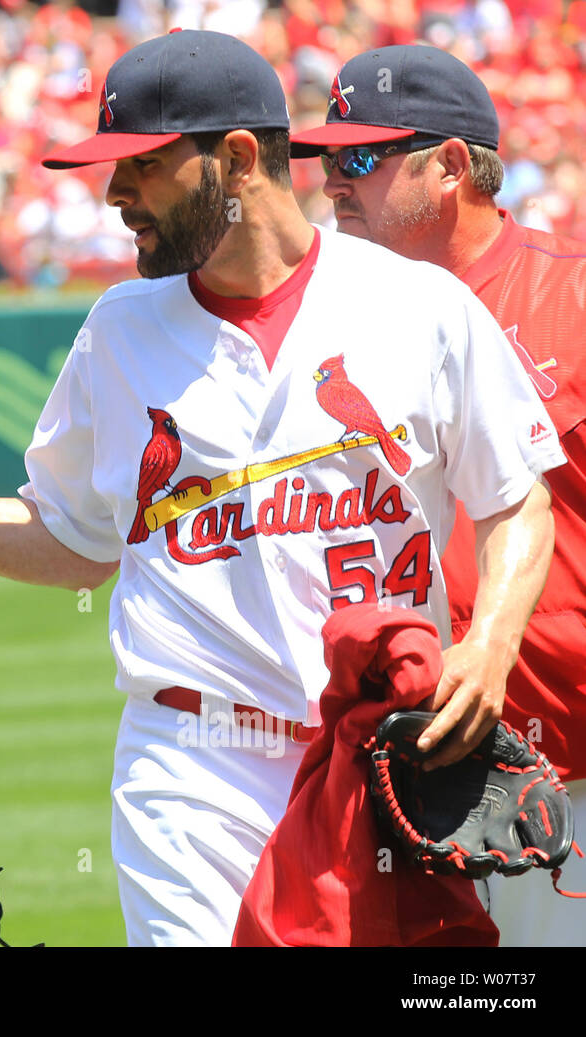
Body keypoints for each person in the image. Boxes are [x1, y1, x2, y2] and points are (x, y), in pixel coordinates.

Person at [0, 30, 564, 946]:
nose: (116, 193)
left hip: (384, 756)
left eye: (144, 165)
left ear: (238, 159)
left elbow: (517, 495)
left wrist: (490, 646)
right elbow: (74, 541)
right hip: (194, 763)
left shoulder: (418, 305)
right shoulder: (119, 332)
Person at [290, 44, 586, 945]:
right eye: (329, 161)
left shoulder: (570, 295)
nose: (335, 184)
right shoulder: (323, 319)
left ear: (450, 165)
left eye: (361, 159)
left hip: (567, 779)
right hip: (387, 782)